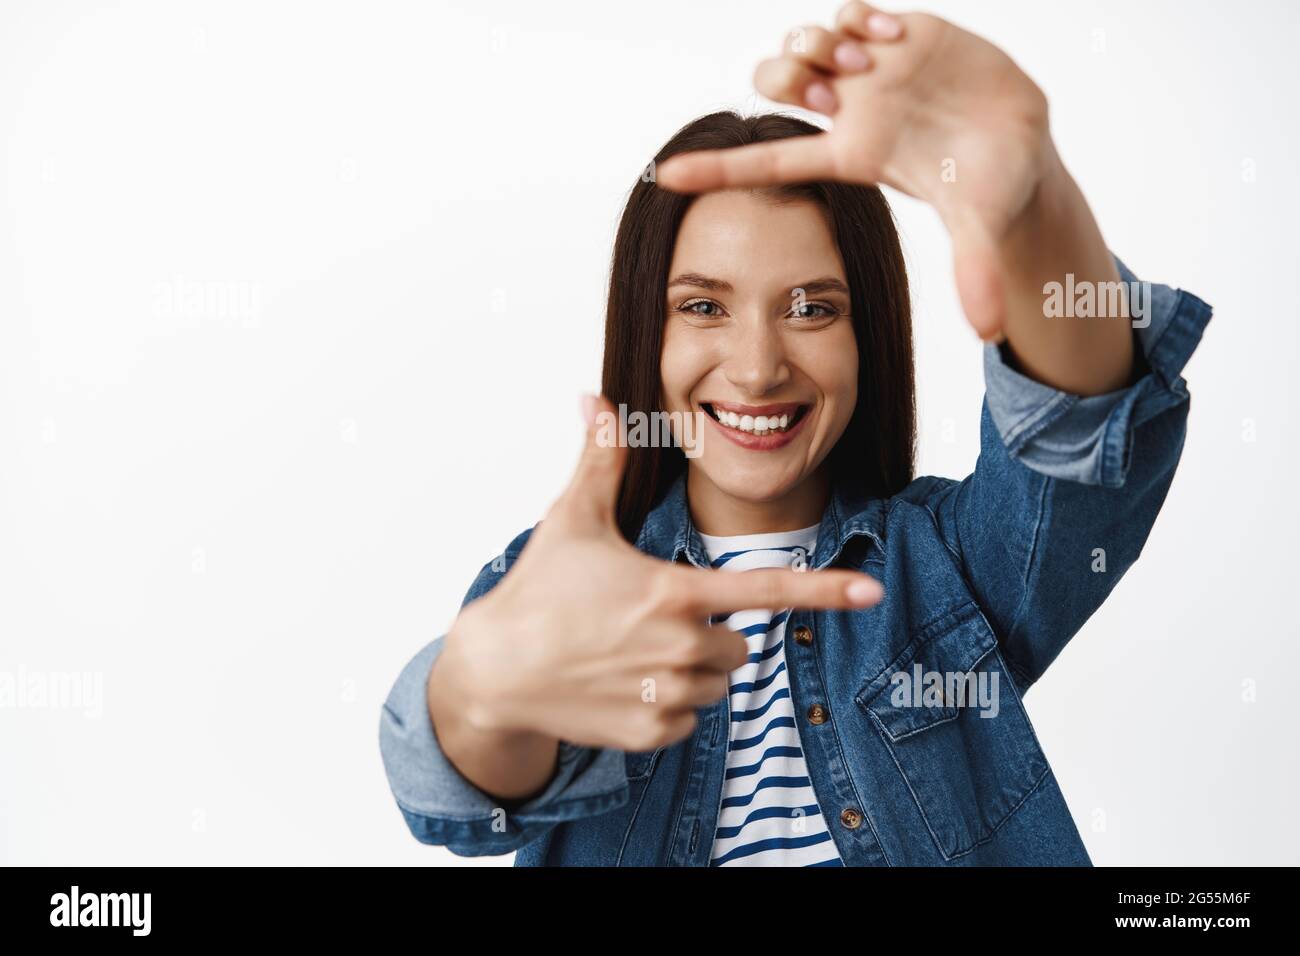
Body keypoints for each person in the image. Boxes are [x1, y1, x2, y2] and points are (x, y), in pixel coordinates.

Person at [379, 2, 1212, 865]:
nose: (757, 366)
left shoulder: (948, 568)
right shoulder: (570, 586)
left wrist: (1037, 209)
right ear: (645, 334)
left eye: (813, 307)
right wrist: (478, 695)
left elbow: (1077, 440)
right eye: (702, 306)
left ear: (868, 335)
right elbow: (452, 790)